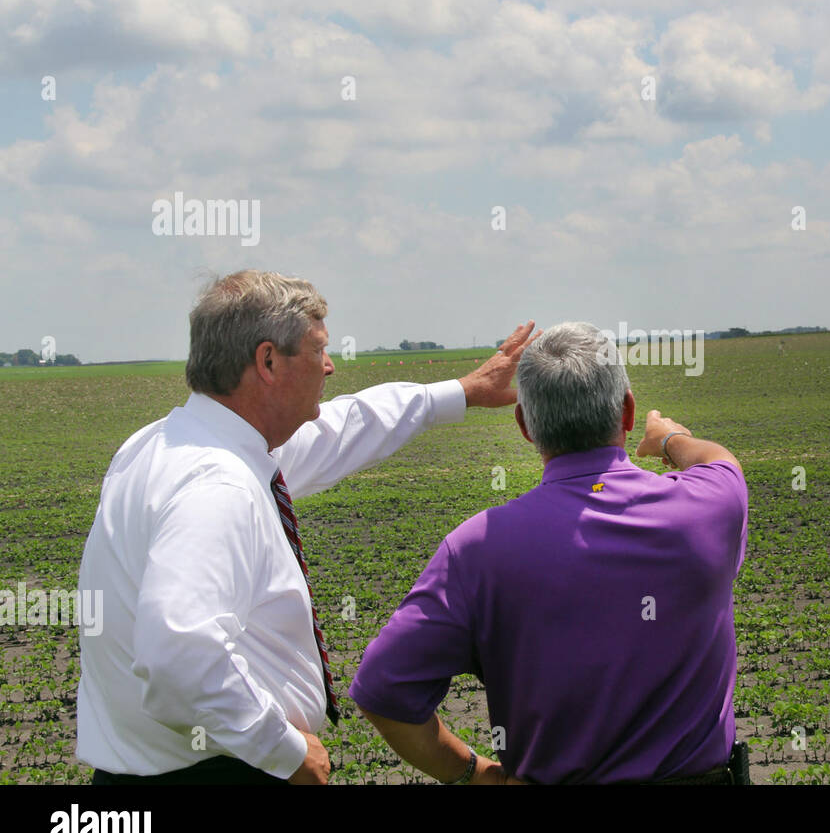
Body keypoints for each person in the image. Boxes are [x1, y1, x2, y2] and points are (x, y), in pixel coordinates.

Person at [76, 269, 535, 784]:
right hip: (217, 772)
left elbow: (346, 427)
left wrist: (462, 391)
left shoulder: (168, 444)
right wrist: (283, 749)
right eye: (318, 349)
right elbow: (178, 654)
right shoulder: (217, 487)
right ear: (268, 360)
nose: (330, 366)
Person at [350, 321, 749, 784]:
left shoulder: (478, 547)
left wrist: (474, 775)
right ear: (627, 411)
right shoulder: (709, 505)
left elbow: (384, 689)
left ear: (525, 425)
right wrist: (666, 438)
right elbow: (719, 460)